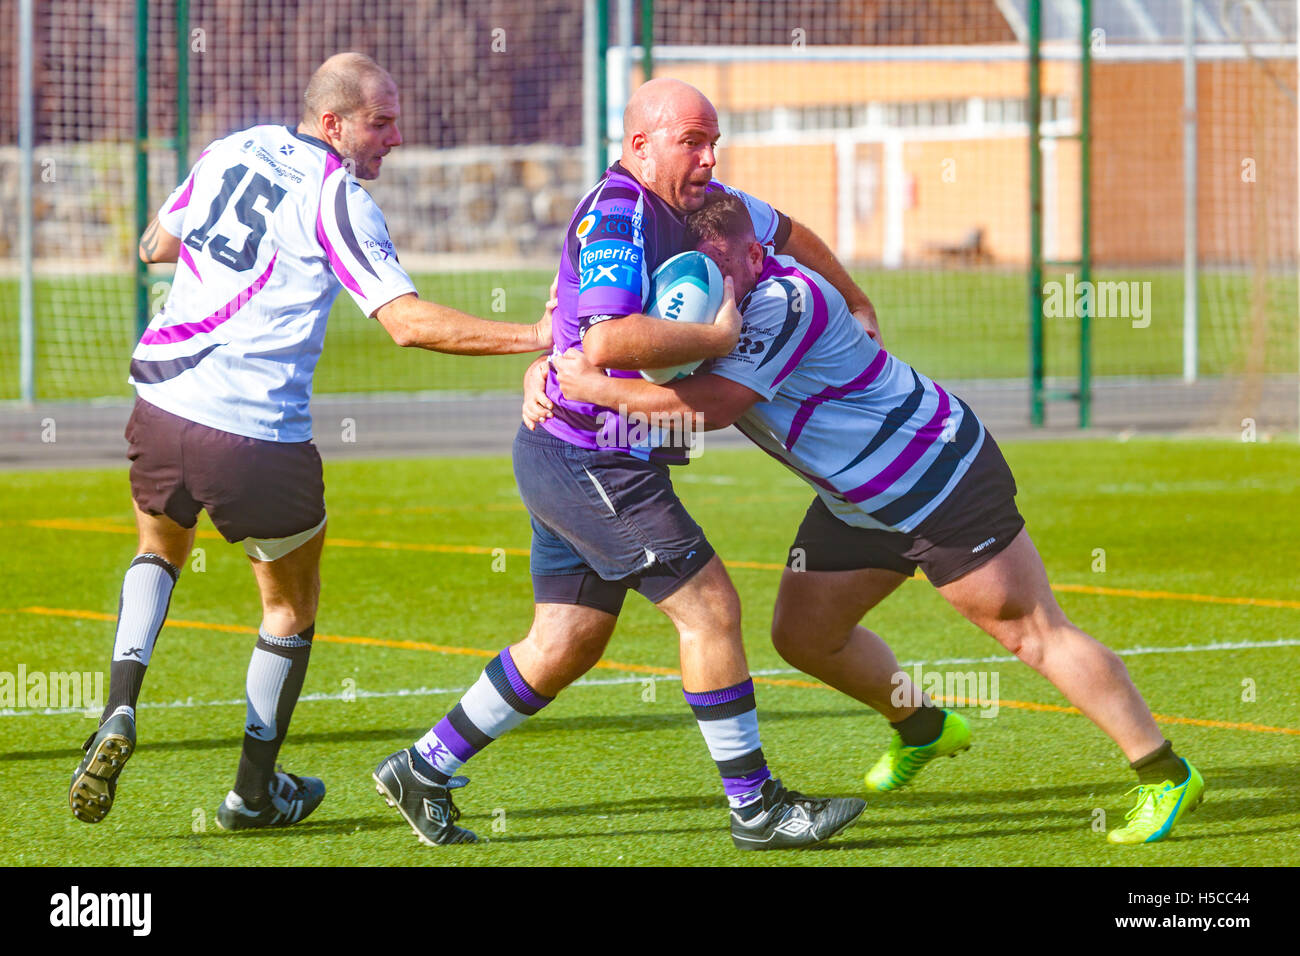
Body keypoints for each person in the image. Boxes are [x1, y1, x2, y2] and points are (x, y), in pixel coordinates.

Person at [549, 190, 1205, 846]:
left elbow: (713, 405)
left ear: (755, 255)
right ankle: (923, 727)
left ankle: (1165, 773)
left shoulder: (784, 303)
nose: (710, 287)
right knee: (805, 635)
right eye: (699, 272)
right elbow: (604, 332)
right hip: (859, 499)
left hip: (937, 479)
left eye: (724, 270)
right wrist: (546, 371)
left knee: (1033, 633)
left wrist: (595, 387)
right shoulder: (701, 281)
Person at [372, 78, 872, 850]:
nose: (709, 157)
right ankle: (758, 810)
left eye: (713, 141)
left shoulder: (710, 206)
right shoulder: (620, 213)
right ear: (641, 146)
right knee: (711, 612)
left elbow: (791, 230)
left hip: (575, 455)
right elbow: (604, 342)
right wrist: (712, 339)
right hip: (591, 459)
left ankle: (423, 766)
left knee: (565, 640)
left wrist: (856, 298)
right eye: (691, 142)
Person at [69, 53, 552, 831]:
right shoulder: (338, 198)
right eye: (381, 122)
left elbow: (154, 245)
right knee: (289, 608)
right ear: (333, 124)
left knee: (158, 553)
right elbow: (405, 322)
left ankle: (118, 712)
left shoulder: (230, 147)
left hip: (159, 407)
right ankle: (252, 796)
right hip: (255, 435)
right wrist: (535, 333)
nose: (395, 137)